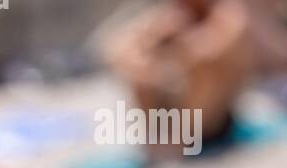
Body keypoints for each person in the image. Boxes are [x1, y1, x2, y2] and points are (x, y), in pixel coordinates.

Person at [105, 0, 254, 157]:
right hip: (175, 109)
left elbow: (210, 49)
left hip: (214, 116)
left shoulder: (227, 13)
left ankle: (179, 138)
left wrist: (180, 46)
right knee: (139, 72)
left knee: (204, 68)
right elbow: (119, 53)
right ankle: (161, 141)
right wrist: (155, 48)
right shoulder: (172, 18)